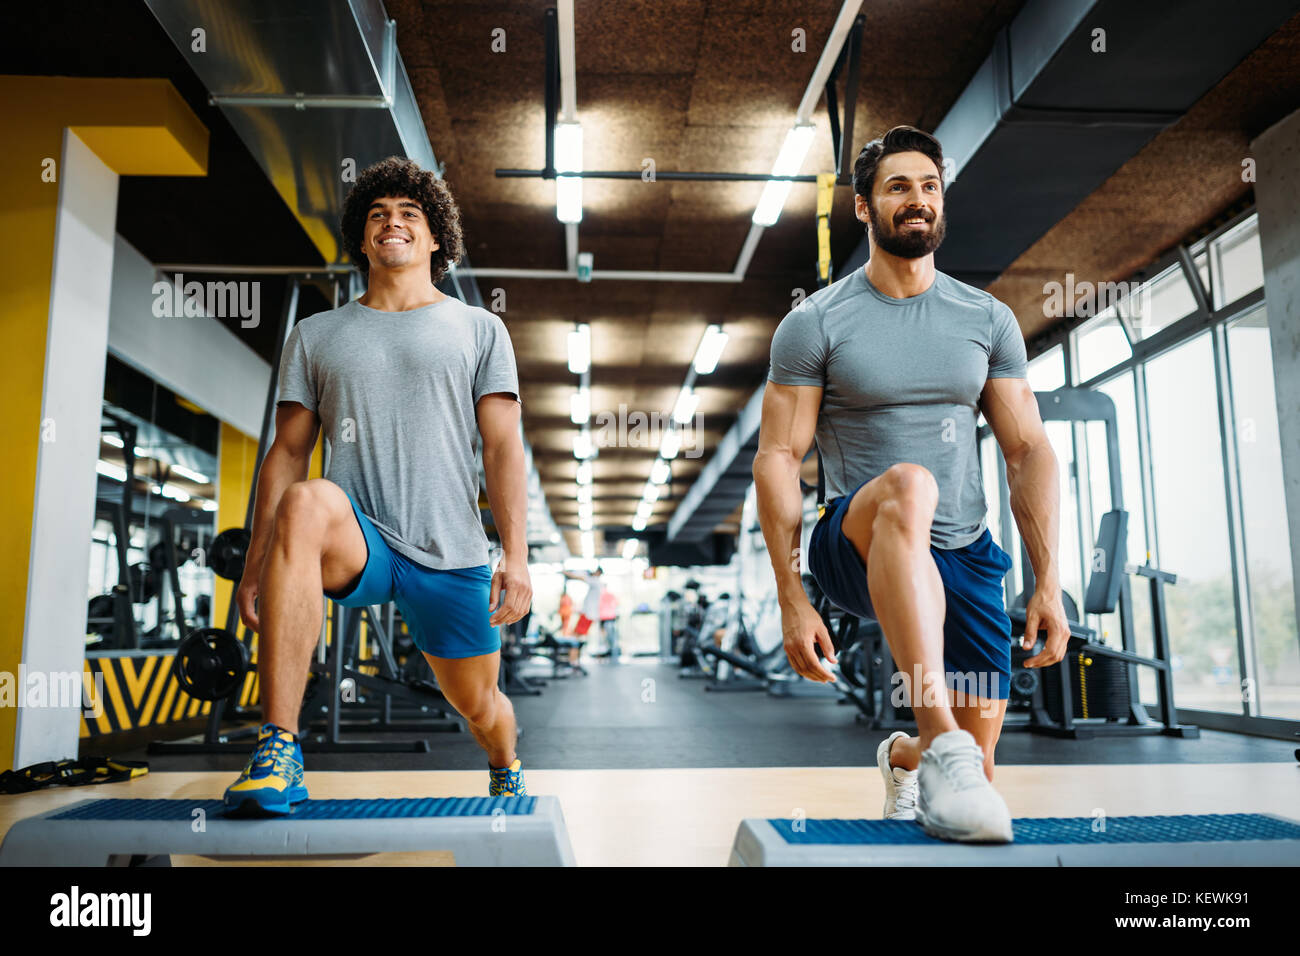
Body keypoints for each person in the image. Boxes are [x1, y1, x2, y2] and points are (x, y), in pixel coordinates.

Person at [753, 126, 1070, 843]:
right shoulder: (815, 322)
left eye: (929, 187)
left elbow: (1028, 450)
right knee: (909, 485)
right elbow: (777, 457)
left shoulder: (986, 319)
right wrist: (791, 594)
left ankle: (910, 756)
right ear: (864, 208)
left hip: (964, 554)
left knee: (977, 781)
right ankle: (939, 736)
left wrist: (1047, 580)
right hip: (857, 543)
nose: (917, 200)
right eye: (898, 187)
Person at [223, 157, 533, 815]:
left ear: (435, 240)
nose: (391, 222)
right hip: (357, 535)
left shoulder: (479, 329)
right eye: (377, 215)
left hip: (449, 548)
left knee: (480, 707)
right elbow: (287, 454)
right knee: (305, 499)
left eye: (409, 214)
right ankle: (278, 747)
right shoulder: (316, 335)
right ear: (363, 240)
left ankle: (504, 762)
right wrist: (255, 562)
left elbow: (504, 447)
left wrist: (518, 557)